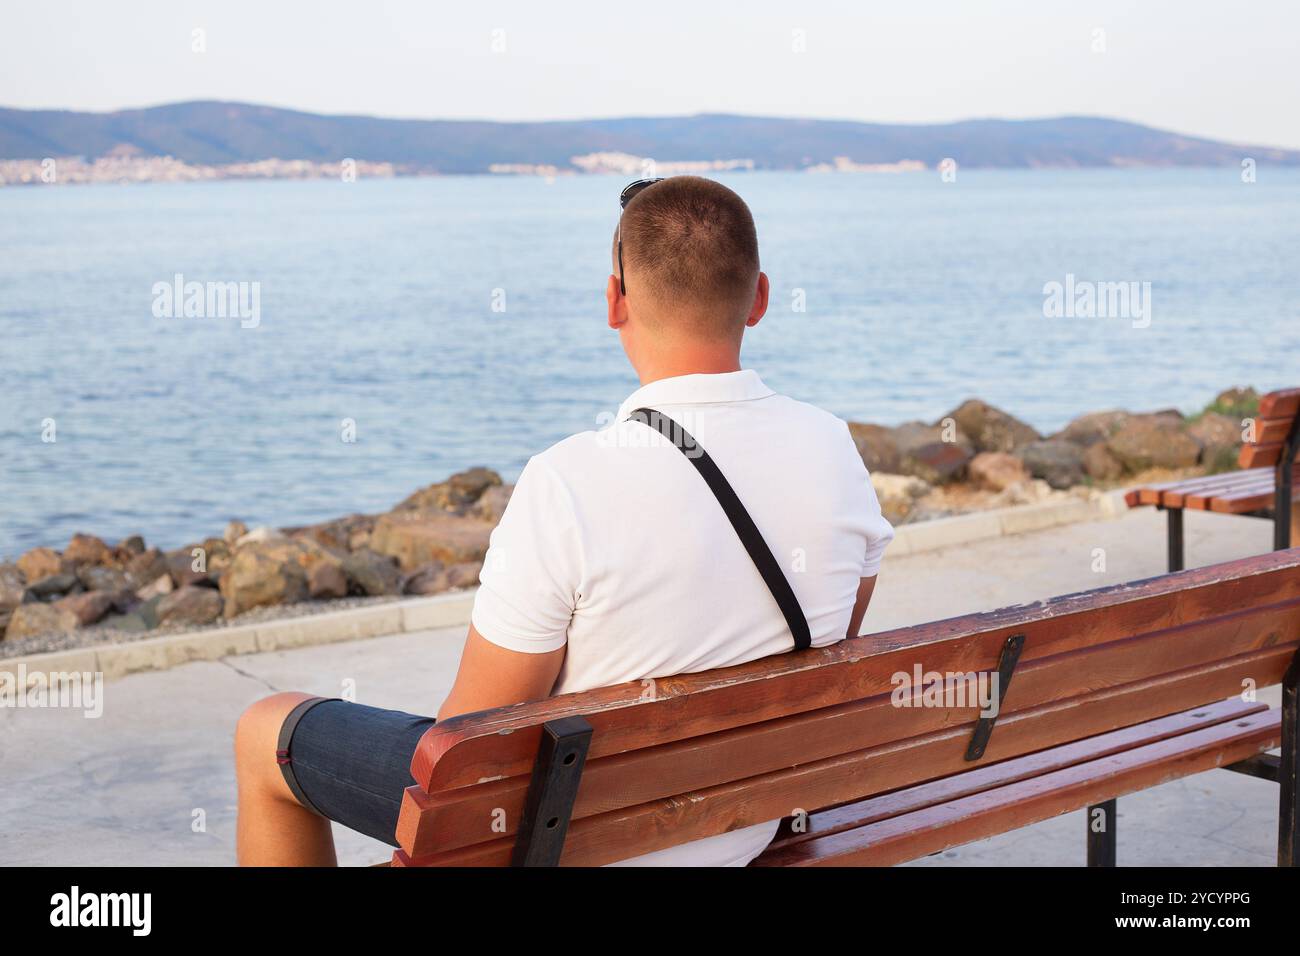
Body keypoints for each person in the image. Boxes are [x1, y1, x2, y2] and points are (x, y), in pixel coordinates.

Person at [234, 175, 894, 866]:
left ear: (615, 302)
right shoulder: (831, 446)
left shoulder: (568, 481)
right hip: (745, 823)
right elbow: (830, 649)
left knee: (264, 730)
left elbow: (467, 746)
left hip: (574, 840)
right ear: (759, 298)